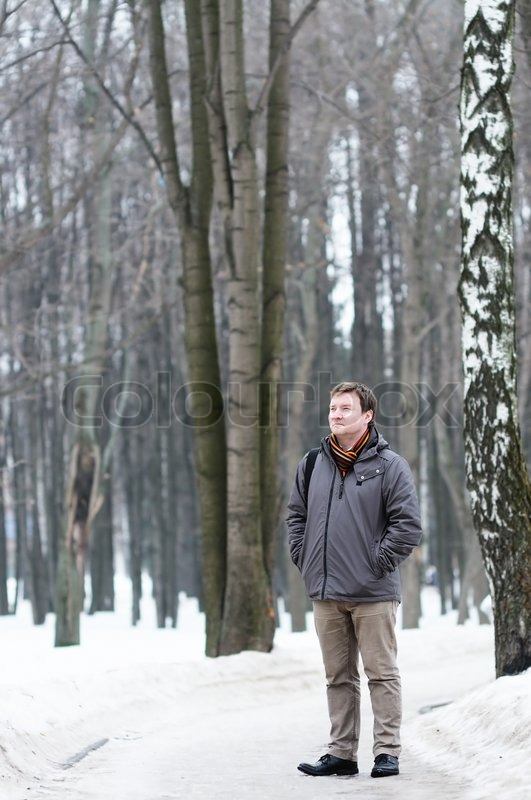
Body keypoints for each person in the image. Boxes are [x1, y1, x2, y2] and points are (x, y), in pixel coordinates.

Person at [286, 381, 422, 779]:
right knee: (337, 678)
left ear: (367, 416)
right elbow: (296, 518)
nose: (336, 414)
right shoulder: (312, 464)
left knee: (381, 674)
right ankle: (342, 753)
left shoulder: (390, 466)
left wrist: (375, 564)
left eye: (346, 408)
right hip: (326, 592)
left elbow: (408, 526)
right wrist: (306, 559)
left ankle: (387, 752)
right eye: (332, 408)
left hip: (373, 592)